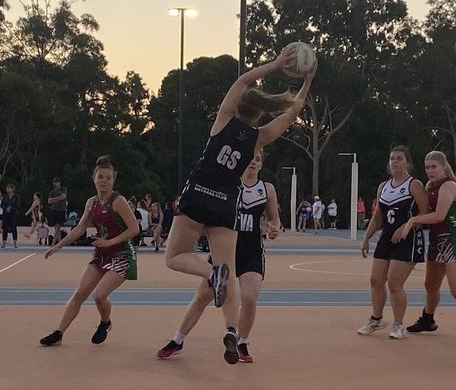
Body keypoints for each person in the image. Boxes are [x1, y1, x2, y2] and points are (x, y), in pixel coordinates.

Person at [160, 47, 313, 364]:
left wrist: (274, 64)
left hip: (200, 193)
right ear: (258, 113)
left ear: (239, 105)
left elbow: (244, 79)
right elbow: (291, 114)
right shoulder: (258, 138)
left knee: (175, 257)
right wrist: (306, 81)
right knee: (228, 274)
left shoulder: (223, 120)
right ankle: (231, 330)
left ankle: (210, 274)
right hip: (226, 205)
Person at [158, 151, 279, 362]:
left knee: (249, 298)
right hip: (224, 250)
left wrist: (273, 227)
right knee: (203, 296)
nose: (253, 162)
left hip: (251, 251)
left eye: (258, 159)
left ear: (261, 165)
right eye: (251, 157)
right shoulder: (228, 186)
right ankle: (177, 340)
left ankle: (241, 342)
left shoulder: (266, 189)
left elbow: (275, 219)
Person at [39, 156, 140, 346]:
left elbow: (134, 229)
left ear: (113, 180)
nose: (104, 181)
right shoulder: (91, 202)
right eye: (100, 177)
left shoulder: (118, 201)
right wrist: (57, 245)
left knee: (99, 295)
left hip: (122, 255)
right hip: (102, 254)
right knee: (80, 293)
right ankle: (58, 333)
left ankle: (105, 322)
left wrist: (110, 242)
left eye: (108, 178)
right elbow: (80, 229)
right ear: (94, 178)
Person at [399, 151, 456, 342]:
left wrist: (413, 221)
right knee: (431, 285)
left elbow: (439, 216)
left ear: (443, 166)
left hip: (455, 240)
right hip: (437, 240)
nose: (430, 171)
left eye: (434, 167)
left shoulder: (448, 185)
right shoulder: (429, 186)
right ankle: (428, 319)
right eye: (427, 167)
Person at [356, 146, 429, 340]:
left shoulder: (414, 185)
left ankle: (398, 324)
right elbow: (377, 216)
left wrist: (405, 226)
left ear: (407, 163)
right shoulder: (384, 186)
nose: (394, 162)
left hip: (408, 239)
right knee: (376, 280)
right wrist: (366, 238)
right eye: (391, 159)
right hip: (386, 237)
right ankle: (376, 319)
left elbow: (424, 214)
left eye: (399, 158)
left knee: (395, 283)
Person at [47, 177, 69, 244]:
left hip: (61, 210)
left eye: (57, 182)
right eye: (54, 182)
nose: (55, 183)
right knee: (56, 227)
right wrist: (58, 199)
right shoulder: (52, 192)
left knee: (58, 228)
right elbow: (49, 201)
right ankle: (59, 243)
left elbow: (63, 197)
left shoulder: (63, 189)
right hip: (55, 210)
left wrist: (54, 200)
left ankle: (53, 243)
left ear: (59, 183)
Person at [0, 183, 20, 248]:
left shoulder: (16, 196)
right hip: (6, 214)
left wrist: (11, 208)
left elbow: (18, 205)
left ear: (12, 189)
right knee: (5, 228)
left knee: (14, 227)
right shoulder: (5, 196)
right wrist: (6, 209)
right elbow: (2, 204)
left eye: (9, 188)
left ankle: (15, 243)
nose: (7, 189)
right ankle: (4, 243)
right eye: (7, 188)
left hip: (13, 214)